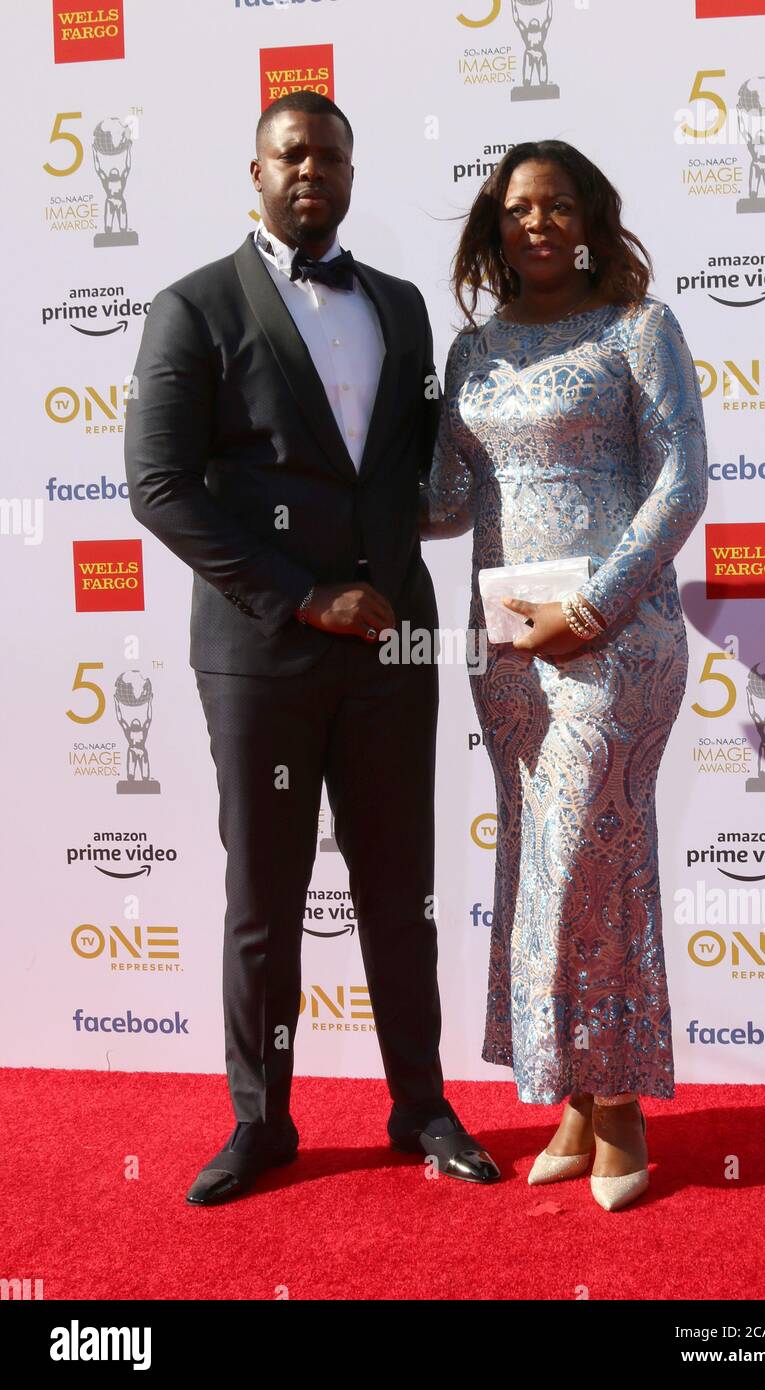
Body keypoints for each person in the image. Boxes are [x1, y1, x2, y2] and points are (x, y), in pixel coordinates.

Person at [124, 92, 500, 1205]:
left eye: (329, 156)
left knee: (401, 890)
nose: (310, 171)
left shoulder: (398, 308)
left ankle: (421, 1105)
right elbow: (160, 487)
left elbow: (423, 472)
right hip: (261, 653)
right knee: (264, 896)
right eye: (291, 154)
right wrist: (300, 596)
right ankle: (261, 1120)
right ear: (254, 171)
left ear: (348, 172)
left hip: (391, 645)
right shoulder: (190, 307)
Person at [420, 140, 708, 1211]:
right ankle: (578, 1101)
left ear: (587, 217)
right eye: (513, 209)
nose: (533, 224)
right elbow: (447, 499)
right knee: (540, 873)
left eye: (553, 206)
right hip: (505, 651)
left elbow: (680, 480)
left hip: (612, 639)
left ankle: (620, 1100)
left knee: (591, 858)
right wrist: (317, 481)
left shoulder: (640, 326)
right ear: (493, 228)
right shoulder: (474, 353)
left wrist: (590, 606)